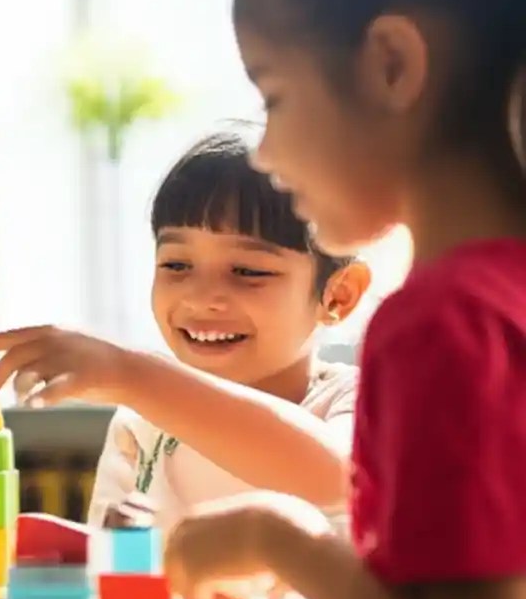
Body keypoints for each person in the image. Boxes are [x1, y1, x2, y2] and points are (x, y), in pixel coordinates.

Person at [156, 0, 526, 599]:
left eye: (275, 94)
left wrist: (280, 535)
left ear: (390, 66)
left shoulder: (442, 325)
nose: (265, 150)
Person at [23, 131, 371, 533]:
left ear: (338, 295)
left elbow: (336, 478)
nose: (201, 298)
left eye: (248, 271)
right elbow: (117, 570)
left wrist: (132, 374)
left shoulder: (357, 401)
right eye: (175, 265)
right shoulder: (140, 423)